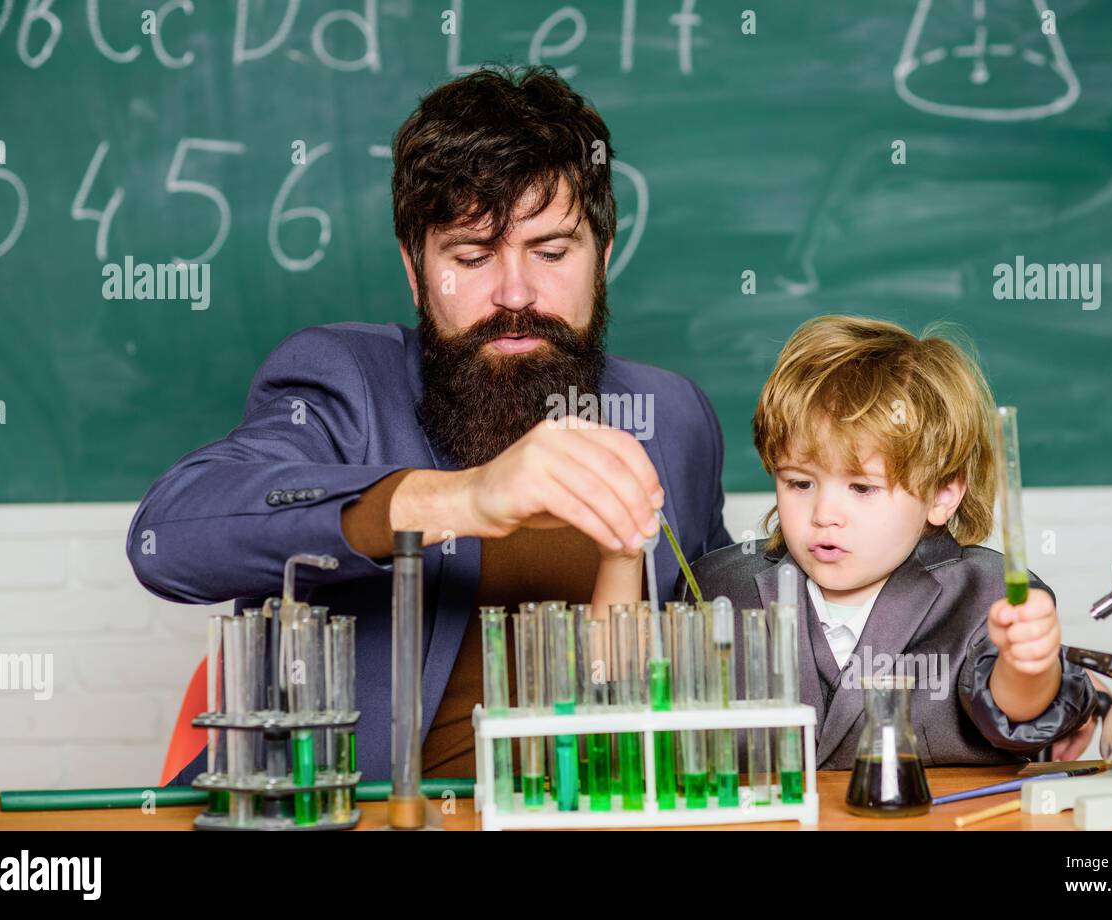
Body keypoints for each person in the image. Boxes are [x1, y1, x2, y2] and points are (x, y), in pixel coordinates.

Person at [130, 65, 732, 784]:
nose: (516, 293)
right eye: (472, 257)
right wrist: (462, 500)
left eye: (551, 252)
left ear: (600, 260)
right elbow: (164, 538)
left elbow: (727, 623)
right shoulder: (344, 381)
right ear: (417, 273)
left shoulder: (673, 415)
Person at [679, 314, 1098, 769]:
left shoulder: (987, 594)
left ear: (942, 495)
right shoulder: (717, 588)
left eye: (862, 488)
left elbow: (1017, 713)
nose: (824, 515)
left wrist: (1027, 669)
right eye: (800, 483)